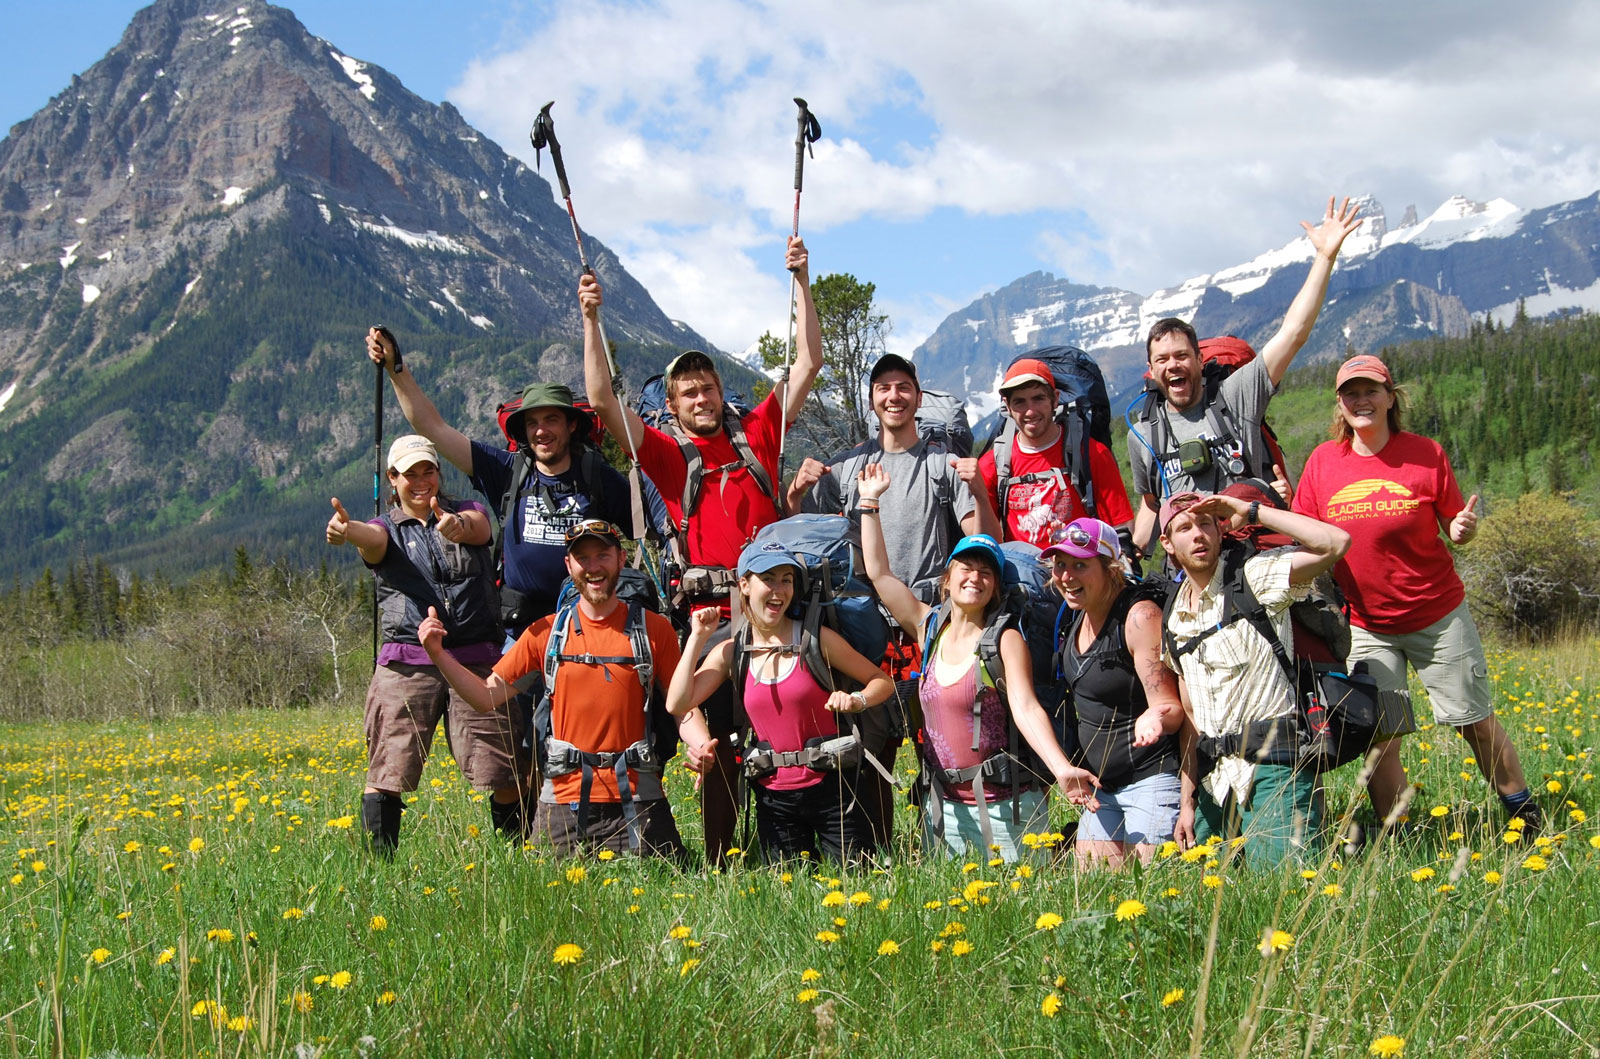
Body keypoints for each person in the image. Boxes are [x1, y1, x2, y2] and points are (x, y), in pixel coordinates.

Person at [580, 237, 822, 865]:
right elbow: (603, 401)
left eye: (708, 388)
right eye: (688, 393)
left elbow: (808, 363)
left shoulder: (759, 435)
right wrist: (591, 320)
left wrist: (801, 281)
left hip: (774, 610)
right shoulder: (663, 455)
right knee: (717, 747)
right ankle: (721, 864)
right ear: (672, 405)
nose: (701, 399)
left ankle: (795, 844)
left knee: (787, 729)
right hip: (712, 620)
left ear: (721, 392)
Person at [1292, 353, 1542, 828]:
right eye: (1351, 393)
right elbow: (1305, 529)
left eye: (1371, 391)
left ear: (1391, 398)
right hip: (1366, 625)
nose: (1361, 400)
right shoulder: (1324, 462)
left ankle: (1525, 817)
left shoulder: (1425, 453)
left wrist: (1464, 528)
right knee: (1381, 734)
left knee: (1476, 723)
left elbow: (1454, 526)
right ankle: (1396, 832)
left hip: (1437, 615)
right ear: (1340, 404)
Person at [786, 351, 999, 849]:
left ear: (918, 398)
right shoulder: (848, 469)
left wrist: (981, 493)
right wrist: (796, 494)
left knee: (940, 734)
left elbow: (982, 543)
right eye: (884, 389)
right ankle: (877, 846)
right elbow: (800, 533)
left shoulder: (942, 466)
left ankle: (944, 840)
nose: (894, 396)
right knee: (869, 740)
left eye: (903, 387)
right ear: (872, 401)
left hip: (930, 618)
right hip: (865, 622)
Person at [858, 464, 1100, 861]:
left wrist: (1060, 768)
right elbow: (879, 574)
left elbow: (1026, 707)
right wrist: (870, 501)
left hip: (1008, 810)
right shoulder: (929, 627)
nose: (975, 577)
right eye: (966, 568)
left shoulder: (1005, 640)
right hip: (942, 809)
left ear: (996, 588)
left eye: (986, 571)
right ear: (947, 580)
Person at [420, 520, 687, 857]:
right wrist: (437, 654)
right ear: (569, 566)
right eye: (583, 558)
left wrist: (701, 744)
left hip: (638, 797)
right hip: (563, 803)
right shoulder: (545, 633)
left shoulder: (655, 630)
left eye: (602, 555)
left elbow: (681, 706)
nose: (593, 567)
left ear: (621, 558)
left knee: (666, 883)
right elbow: (486, 697)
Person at [1128, 197, 1365, 556]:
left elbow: (1293, 334)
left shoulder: (1236, 396)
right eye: (1161, 359)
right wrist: (1132, 554)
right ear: (1151, 368)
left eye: (1181, 355)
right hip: (1190, 564)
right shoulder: (1145, 432)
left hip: (1255, 552)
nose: (1172, 365)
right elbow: (1151, 501)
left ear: (1199, 358)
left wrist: (1324, 258)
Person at [325, 435, 523, 853]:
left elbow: (477, 529)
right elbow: (370, 539)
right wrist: (349, 531)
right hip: (405, 663)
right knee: (388, 768)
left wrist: (454, 526)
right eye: (408, 474)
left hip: (477, 660)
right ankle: (381, 865)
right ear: (392, 479)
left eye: (427, 471)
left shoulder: (470, 511)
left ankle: (516, 855)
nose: (420, 481)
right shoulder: (383, 530)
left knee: (502, 767)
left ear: (439, 472)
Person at [366, 329, 631, 637]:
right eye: (532, 423)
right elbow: (432, 428)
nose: (541, 431)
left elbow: (642, 528)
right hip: (520, 629)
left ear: (572, 425)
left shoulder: (598, 476)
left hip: (590, 626)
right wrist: (397, 370)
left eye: (551, 420)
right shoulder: (506, 471)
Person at [667, 541, 895, 863]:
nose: (779, 590)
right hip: (773, 798)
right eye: (768, 578)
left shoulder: (815, 640)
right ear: (744, 585)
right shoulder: (732, 652)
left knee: (853, 890)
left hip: (834, 789)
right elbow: (677, 704)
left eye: (786, 579)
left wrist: (857, 699)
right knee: (792, 897)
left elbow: (881, 682)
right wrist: (697, 638)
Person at [1160, 489, 1351, 869]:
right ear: (1167, 542)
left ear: (1219, 530)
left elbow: (1336, 542)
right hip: (1215, 784)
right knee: (1210, 905)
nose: (1197, 534)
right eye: (1184, 527)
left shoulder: (1255, 577)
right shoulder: (1173, 616)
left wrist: (1252, 512)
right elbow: (1192, 719)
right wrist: (1187, 801)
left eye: (1205, 524)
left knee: (1288, 892)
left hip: (1273, 767)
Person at [1045, 518, 1185, 867]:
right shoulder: (1077, 616)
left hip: (1150, 779)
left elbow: (1171, 707)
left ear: (1111, 568)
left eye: (1080, 565)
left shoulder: (1138, 618)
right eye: (1060, 565)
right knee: (1094, 899)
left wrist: (1156, 717)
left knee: (1155, 898)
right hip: (1100, 789)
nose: (1066, 576)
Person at [976, 358, 1134, 550]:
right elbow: (986, 542)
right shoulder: (992, 465)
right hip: (1020, 574)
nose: (1030, 411)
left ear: (1055, 399)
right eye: (1019, 402)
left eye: (1038, 399)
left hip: (1080, 572)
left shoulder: (1091, 454)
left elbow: (1121, 530)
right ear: (1007, 406)